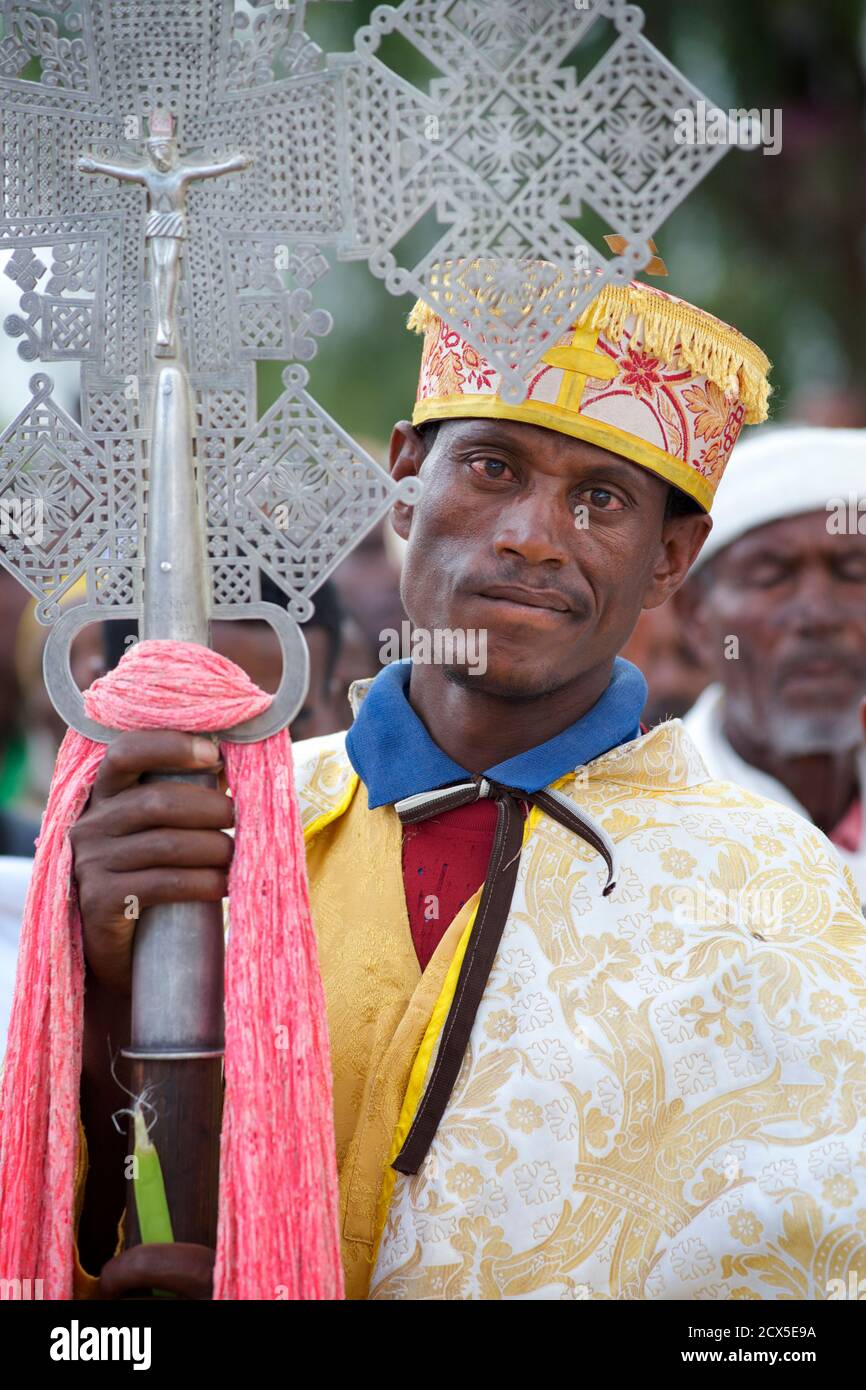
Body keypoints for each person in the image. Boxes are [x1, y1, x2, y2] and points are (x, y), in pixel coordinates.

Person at [69, 265, 866, 1302]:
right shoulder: (233, 822)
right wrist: (100, 978)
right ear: (404, 471)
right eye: (491, 466)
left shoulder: (778, 891)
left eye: (600, 498)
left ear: (671, 558)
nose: (532, 535)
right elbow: (91, 1208)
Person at [677, 427, 866, 907]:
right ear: (695, 616)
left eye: (854, 573)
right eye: (770, 575)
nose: (817, 615)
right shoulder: (640, 828)